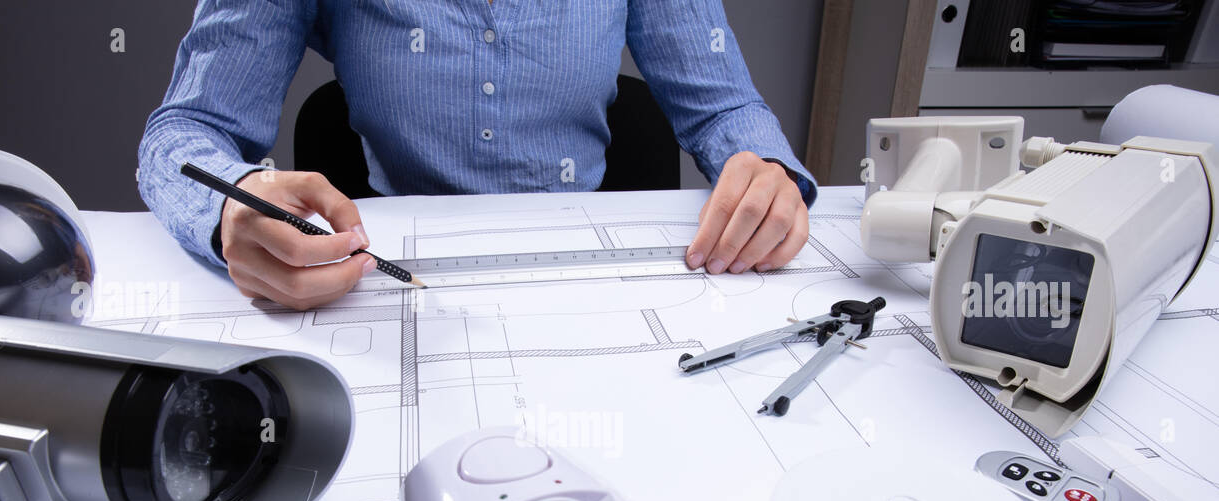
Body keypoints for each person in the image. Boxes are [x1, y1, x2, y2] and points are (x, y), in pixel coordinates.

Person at [138, 0, 817, 311]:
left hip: (586, 286)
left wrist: (766, 169)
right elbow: (184, 133)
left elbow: (726, 108)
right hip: (395, 288)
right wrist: (230, 200)